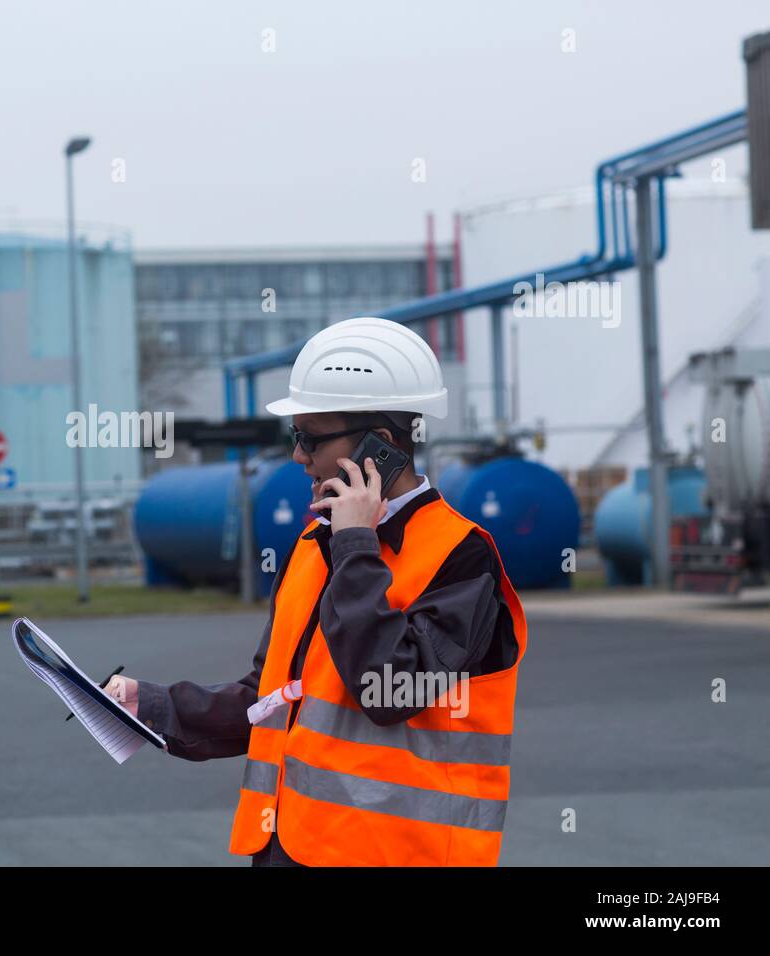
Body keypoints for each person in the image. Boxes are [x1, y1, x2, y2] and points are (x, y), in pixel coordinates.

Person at [107, 316, 528, 866]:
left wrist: (357, 544)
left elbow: (388, 691)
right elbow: (274, 698)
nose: (298, 456)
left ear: (383, 446)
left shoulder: (461, 557)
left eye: (310, 437)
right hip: (292, 850)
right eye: (295, 436)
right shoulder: (318, 543)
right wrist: (157, 706)